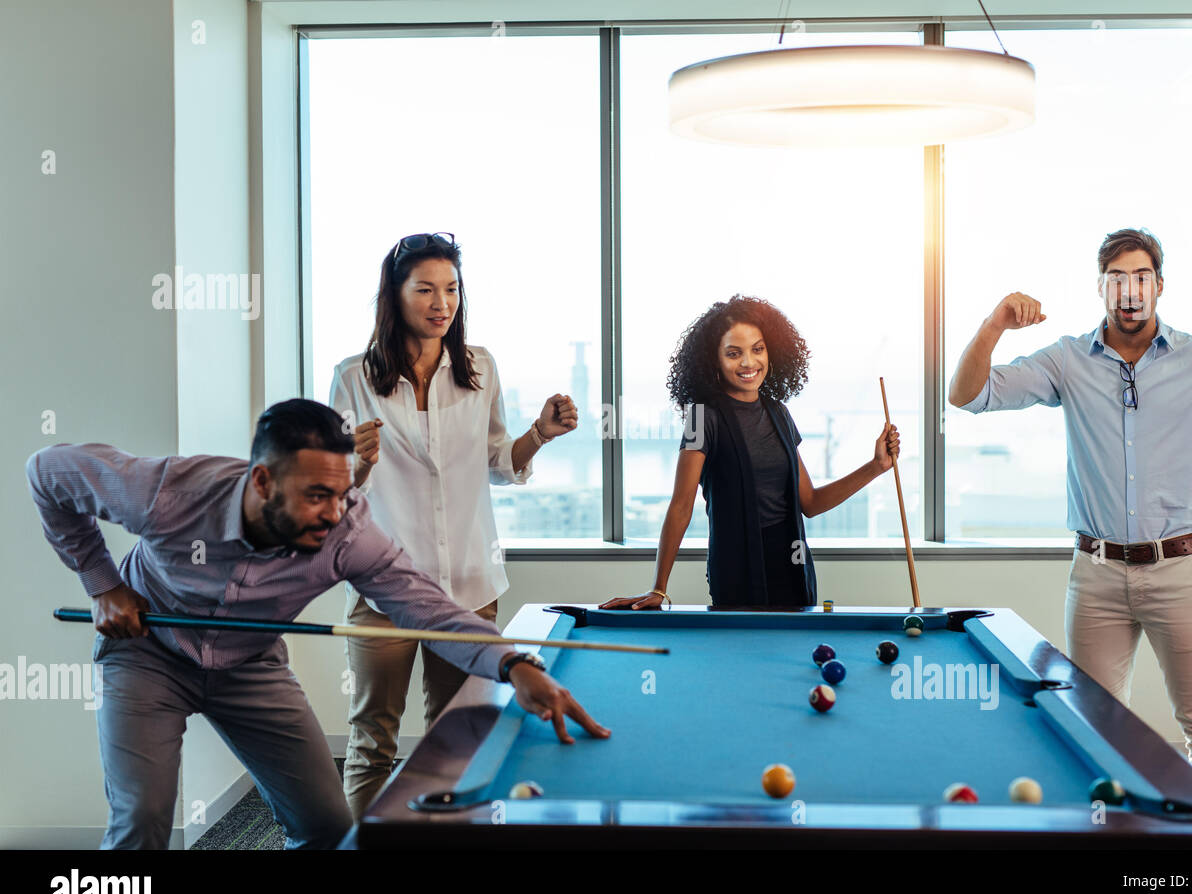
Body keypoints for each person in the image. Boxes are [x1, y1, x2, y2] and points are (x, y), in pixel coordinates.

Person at [25, 399, 607, 850]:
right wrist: (103, 583)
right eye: (317, 495)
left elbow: (430, 612)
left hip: (250, 666)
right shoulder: (168, 493)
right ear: (261, 482)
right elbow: (47, 472)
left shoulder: (349, 534)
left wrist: (516, 664)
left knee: (328, 826)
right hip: (148, 651)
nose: (334, 512)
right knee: (142, 820)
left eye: (343, 492)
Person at [948, 227, 1192, 796]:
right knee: (1093, 728)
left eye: (1141, 278)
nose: (1129, 291)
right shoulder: (1066, 360)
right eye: (1117, 279)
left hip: (1180, 570)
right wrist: (994, 325)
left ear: (1159, 286)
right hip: (1097, 577)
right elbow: (966, 395)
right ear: (1101, 288)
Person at [329, 231, 579, 820]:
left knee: (460, 738)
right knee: (372, 744)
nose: (442, 303)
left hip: (468, 586)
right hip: (383, 589)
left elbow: (498, 461)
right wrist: (357, 464)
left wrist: (539, 434)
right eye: (425, 290)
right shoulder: (352, 378)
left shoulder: (478, 367)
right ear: (394, 295)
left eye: (452, 289)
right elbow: (337, 493)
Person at [603, 295, 900, 611]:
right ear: (713, 360)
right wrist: (659, 589)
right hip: (737, 572)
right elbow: (680, 506)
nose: (748, 363)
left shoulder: (780, 413)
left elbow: (810, 503)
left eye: (757, 349)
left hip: (793, 568)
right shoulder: (701, 417)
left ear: (772, 352)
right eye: (734, 353)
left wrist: (876, 466)